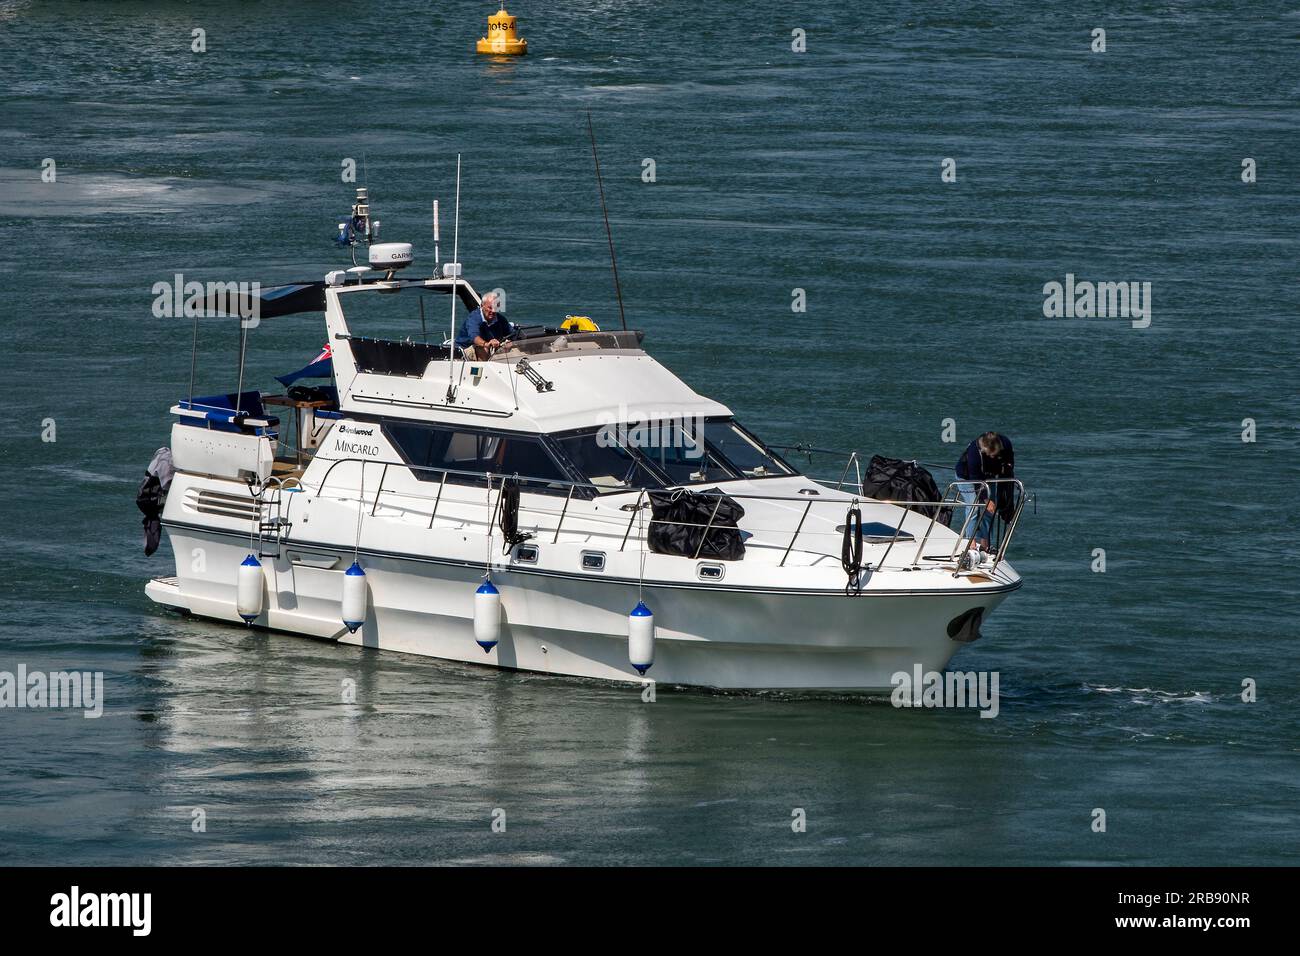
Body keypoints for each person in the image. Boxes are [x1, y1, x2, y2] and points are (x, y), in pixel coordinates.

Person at [952, 431, 1015, 552]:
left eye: (995, 455)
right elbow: (976, 480)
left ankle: (986, 542)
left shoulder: (1006, 443)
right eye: (989, 455)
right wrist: (986, 500)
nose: (992, 457)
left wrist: (1004, 496)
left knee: (991, 510)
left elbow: (1009, 466)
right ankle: (971, 542)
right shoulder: (974, 452)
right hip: (967, 477)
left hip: (989, 476)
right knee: (974, 508)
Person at [454, 292, 515, 359]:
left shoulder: (500, 319)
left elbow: (512, 333)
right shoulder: (474, 318)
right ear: (482, 306)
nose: (493, 311)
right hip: (464, 349)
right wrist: (486, 344)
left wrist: (511, 342)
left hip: (491, 348)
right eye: (490, 308)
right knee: (484, 349)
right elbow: (474, 337)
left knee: (511, 347)